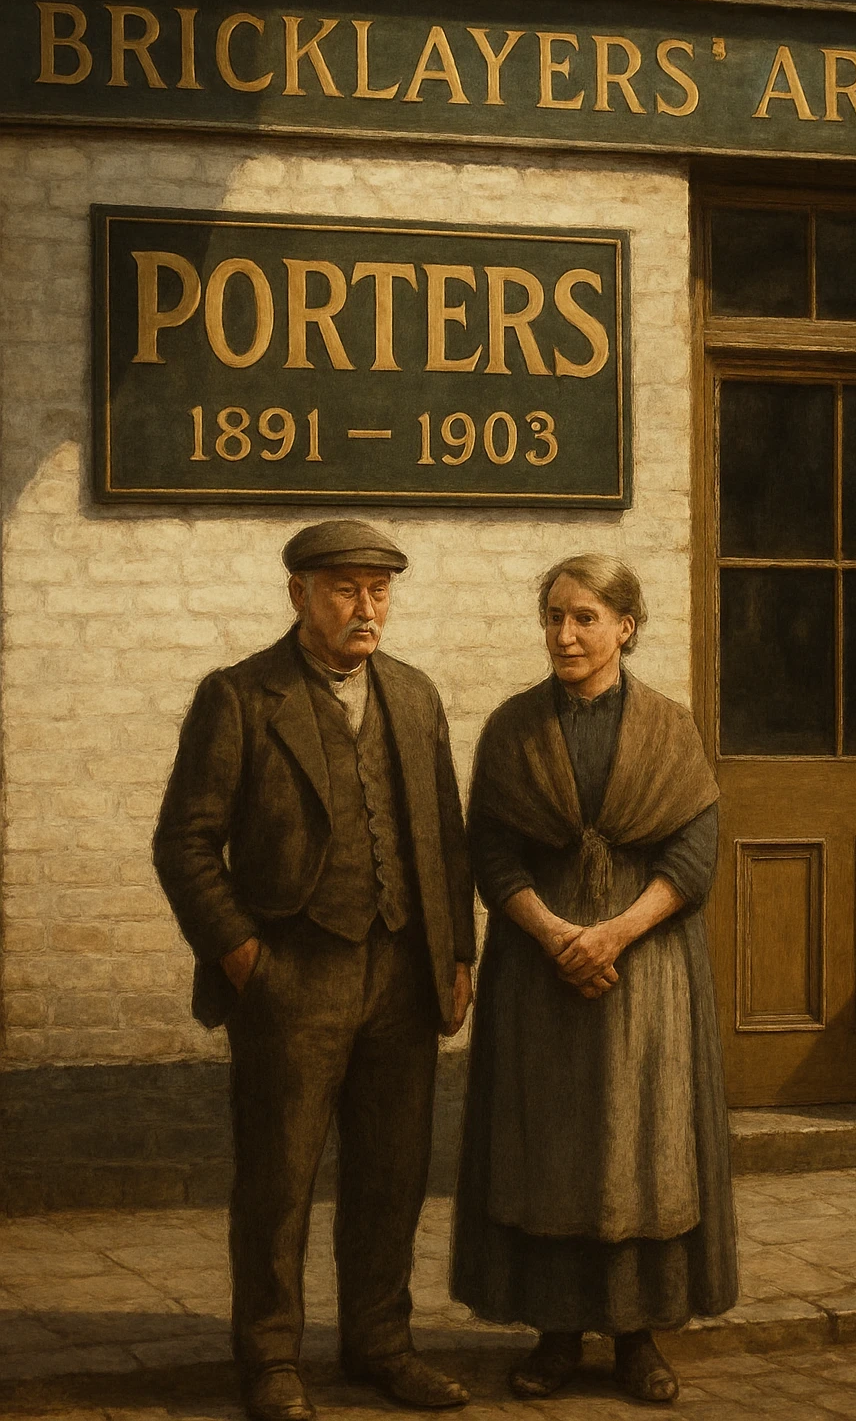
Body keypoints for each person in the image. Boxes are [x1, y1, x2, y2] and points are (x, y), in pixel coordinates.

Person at [153, 520, 475, 1421]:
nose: (364, 607)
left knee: (391, 1174)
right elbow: (184, 843)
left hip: (403, 977)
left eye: (377, 591)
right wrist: (243, 955)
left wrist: (456, 954)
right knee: (277, 1179)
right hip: (292, 977)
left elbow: (446, 839)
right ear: (299, 594)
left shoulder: (414, 696)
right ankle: (269, 1361)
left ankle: (380, 1344)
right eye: (343, 589)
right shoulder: (241, 697)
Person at [451, 553, 737, 1402]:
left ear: (626, 626)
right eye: (553, 617)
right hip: (539, 979)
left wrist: (612, 933)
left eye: (583, 617)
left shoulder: (669, 728)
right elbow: (491, 852)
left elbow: (694, 853)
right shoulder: (512, 729)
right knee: (548, 1149)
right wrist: (553, 934)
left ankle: (638, 1341)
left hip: (645, 975)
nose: (564, 634)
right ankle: (555, 1335)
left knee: (642, 1150)